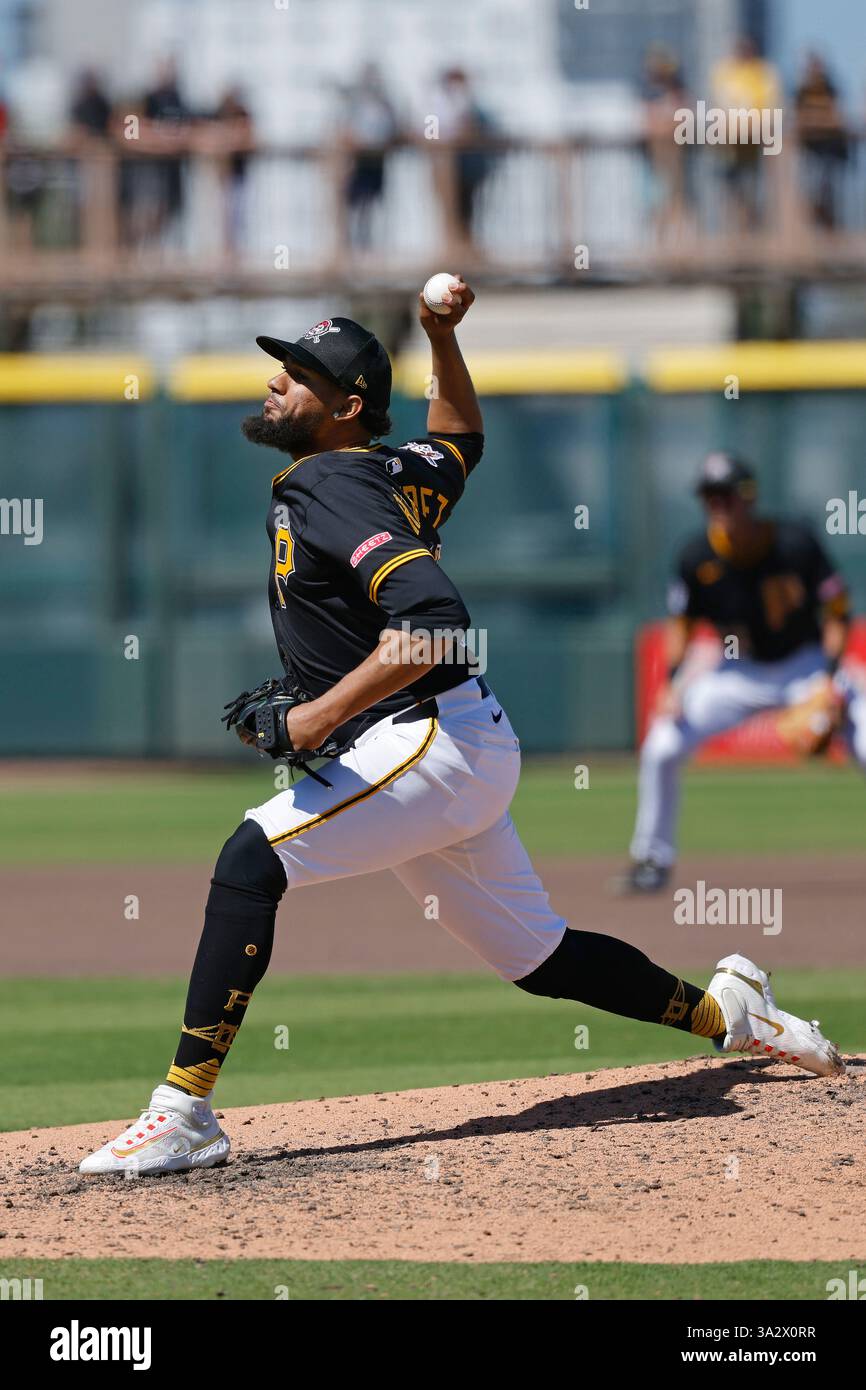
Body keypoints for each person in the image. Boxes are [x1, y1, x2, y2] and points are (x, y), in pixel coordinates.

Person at [79, 298, 842, 1175]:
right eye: (281, 367)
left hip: (427, 738)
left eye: (300, 375)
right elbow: (460, 436)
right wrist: (442, 338)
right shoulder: (396, 467)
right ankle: (731, 1013)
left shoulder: (329, 485)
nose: (276, 382)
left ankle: (183, 1112)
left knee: (251, 859)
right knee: (540, 957)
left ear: (347, 407)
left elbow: (435, 621)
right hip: (457, 742)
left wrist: (314, 716)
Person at [621, 452, 866, 892]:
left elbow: (837, 611)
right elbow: (681, 625)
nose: (718, 505)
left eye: (726, 495)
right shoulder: (697, 556)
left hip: (806, 663)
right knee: (662, 745)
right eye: (709, 497)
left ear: (748, 497)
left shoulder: (794, 543)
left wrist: (830, 681)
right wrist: (671, 683)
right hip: (739, 671)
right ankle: (651, 859)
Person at [795, 53, 848, 230]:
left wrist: (821, 120)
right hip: (810, 148)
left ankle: (830, 224)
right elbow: (798, 117)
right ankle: (812, 223)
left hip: (830, 147)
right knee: (810, 187)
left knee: (829, 188)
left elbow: (837, 115)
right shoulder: (802, 91)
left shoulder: (831, 88)